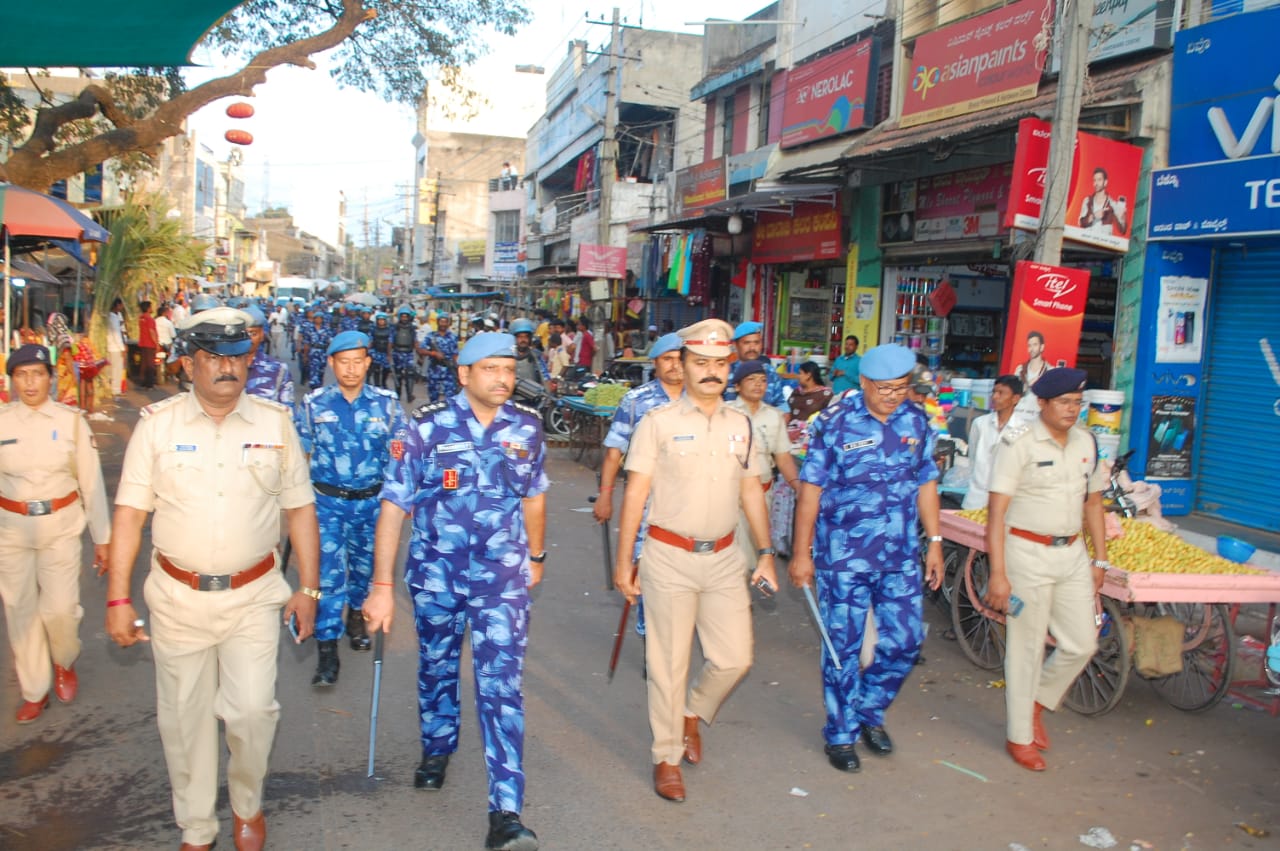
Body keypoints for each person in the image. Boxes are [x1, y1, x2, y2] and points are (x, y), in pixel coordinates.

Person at [105, 307, 322, 851]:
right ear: (191, 362)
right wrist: (116, 598)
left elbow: (300, 511)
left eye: (238, 357)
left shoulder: (275, 424)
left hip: (252, 596)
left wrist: (309, 589)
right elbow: (130, 515)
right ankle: (197, 828)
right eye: (215, 358)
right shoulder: (158, 428)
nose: (229, 368)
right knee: (185, 723)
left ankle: (247, 804)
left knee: (252, 711)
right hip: (177, 598)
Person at [363, 332, 546, 851]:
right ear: (464, 374)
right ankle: (437, 746)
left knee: (502, 686)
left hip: (501, 580)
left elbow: (534, 496)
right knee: (437, 665)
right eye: (490, 369)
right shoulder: (423, 427)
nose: (503, 379)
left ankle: (506, 812)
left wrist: (536, 556)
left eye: (509, 369)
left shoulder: (527, 428)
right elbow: (394, 506)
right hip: (437, 575)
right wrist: (381, 585)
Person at [613, 319, 777, 804]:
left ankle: (691, 714)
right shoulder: (658, 423)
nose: (711, 373)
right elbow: (636, 494)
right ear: (681, 366)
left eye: (719, 364)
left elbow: (751, 490)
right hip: (667, 555)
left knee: (734, 658)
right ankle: (666, 756)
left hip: (726, 557)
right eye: (700, 363)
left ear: (730, 368)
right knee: (668, 663)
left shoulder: (740, 425)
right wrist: (625, 562)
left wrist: (766, 554)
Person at [788, 344, 944, 774]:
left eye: (901, 388)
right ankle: (840, 734)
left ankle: (868, 710)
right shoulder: (835, 424)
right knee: (843, 649)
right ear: (863, 383)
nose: (894, 396)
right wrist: (801, 554)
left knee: (906, 642)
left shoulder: (916, 420)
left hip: (899, 556)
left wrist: (934, 541)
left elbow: (926, 481)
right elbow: (810, 492)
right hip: (844, 559)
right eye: (885, 389)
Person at [981, 367, 1109, 772]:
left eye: (1078, 402)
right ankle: (1020, 736)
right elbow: (996, 513)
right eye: (1065, 403)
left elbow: (1093, 504)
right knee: (1026, 648)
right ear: (1043, 404)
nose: (1073, 409)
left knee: (1082, 643)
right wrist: (998, 573)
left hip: (1071, 554)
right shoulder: (1018, 443)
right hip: (1025, 553)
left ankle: (1036, 701)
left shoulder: (1087, 441)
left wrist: (1100, 559)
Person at [0, 344, 110, 723]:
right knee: (20, 611)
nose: (29, 383)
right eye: (21, 375)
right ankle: (35, 689)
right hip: (11, 530)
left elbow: (91, 482)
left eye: (37, 374)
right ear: (12, 380)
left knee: (60, 609)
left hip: (61, 527)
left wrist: (103, 538)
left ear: (50, 376)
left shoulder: (71, 422)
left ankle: (63, 660)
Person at [295, 330, 408, 687]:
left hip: (372, 505)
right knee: (329, 577)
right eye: (343, 362)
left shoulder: (387, 405)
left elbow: (399, 457)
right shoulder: (314, 405)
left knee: (365, 570)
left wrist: (402, 499)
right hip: (326, 504)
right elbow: (301, 455)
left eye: (358, 362)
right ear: (331, 363)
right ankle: (327, 652)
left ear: (368, 363)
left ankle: (357, 618)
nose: (351, 369)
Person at [727, 359, 799, 573]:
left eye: (763, 381)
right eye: (751, 380)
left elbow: (783, 457)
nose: (758, 384)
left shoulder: (774, 417)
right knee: (728, 556)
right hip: (729, 496)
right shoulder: (725, 413)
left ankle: (741, 601)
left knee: (753, 552)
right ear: (738, 386)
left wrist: (798, 487)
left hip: (762, 494)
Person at [962, 375, 1026, 510]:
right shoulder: (980, 424)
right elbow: (973, 456)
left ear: (1015, 398)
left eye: (1001, 393)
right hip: (976, 497)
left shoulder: (1022, 428)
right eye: (994, 392)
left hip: (1006, 501)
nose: (995, 397)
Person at [243, 305, 296, 410]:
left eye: (253, 333)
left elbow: (288, 413)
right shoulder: (222, 368)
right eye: (242, 334)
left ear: (262, 335)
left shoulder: (279, 370)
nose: (248, 339)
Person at [724, 321, 787, 407]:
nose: (752, 348)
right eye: (747, 343)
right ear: (735, 345)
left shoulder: (770, 372)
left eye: (756, 343)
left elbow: (783, 408)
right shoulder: (725, 372)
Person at [420, 313, 460, 402]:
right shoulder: (431, 336)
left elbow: (455, 354)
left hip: (448, 370)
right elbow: (421, 350)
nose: (443, 324)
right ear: (438, 322)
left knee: (451, 397)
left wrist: (458, 369)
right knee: (433, 397)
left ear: (448, 323)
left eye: (445, 322)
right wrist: (433, 353)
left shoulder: (453, 337)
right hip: (434, 369)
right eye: (441, 321)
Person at [1078, 167, 1127, 235]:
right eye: (1094, 180)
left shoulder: (1112, 204)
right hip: (1087, 241)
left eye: (1099, 180)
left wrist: (1123, 218)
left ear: (1105, 182)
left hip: (1103, 243)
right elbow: (1080, 223)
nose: (1096, 183)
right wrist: (1094, 216)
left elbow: (1122, 230)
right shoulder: (1087, 201)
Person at [787, 361, 834, 425]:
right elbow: (788, 411)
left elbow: (830, 417)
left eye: (800, 373)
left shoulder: (825, 395)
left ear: (808, 375)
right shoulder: (796, 392)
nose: (798, 376)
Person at [1014, 331, 1049, 415]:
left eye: (1035, 345)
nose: (1031, 349)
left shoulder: (1050, 371)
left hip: (1038, 416)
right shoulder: (1020, 369)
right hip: (1019, 414)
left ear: (1042, 347)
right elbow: (1013, 392)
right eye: (1029, 345)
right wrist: (1026, 386)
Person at [301, 309, 334, 391]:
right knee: (313, 372)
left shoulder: (327, 330)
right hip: (313, 353)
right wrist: (305, 355)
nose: (318, 320)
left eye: (320, 318)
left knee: (321, 373)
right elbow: (306, 343)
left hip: (323, 353)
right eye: (316, 318)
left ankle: (319, 389)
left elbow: (330, 342)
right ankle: (313, 389)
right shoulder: (309, 329)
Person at [391, 306, 420, 401]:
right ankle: (398, 394)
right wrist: (389, 355)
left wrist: (419, 352)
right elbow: (390, 341)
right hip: (397, 352)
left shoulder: (412, 328)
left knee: (410, 374)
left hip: (409, 353)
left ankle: (409, 395)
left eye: (405, 316)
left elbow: (415, 341)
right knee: (398, 375)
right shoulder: (395, 328)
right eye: (402, 316)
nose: (404, 318)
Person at [106, 297, 127, 397]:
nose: (122, 307)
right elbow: (116, 334)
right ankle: (115, 390)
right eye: (121, 305)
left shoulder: (113, 316)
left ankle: (113, 388)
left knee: (113, 369)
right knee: (116, 369)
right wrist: (122, 348)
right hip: (115, 348)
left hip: (112, 346)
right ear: (117, 305)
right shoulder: (113, 317)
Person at [369, 311, 394, 387]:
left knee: (386, 369)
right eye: (379, 320)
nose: (381, 321)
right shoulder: (373, 329)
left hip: (385, 352)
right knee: (376, 369)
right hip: (376, 351)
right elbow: (370, 340)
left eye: (382, 320)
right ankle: (377, 384)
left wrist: (389, 354)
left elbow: (390, 342)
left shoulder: (389, 329)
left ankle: (383, 382)